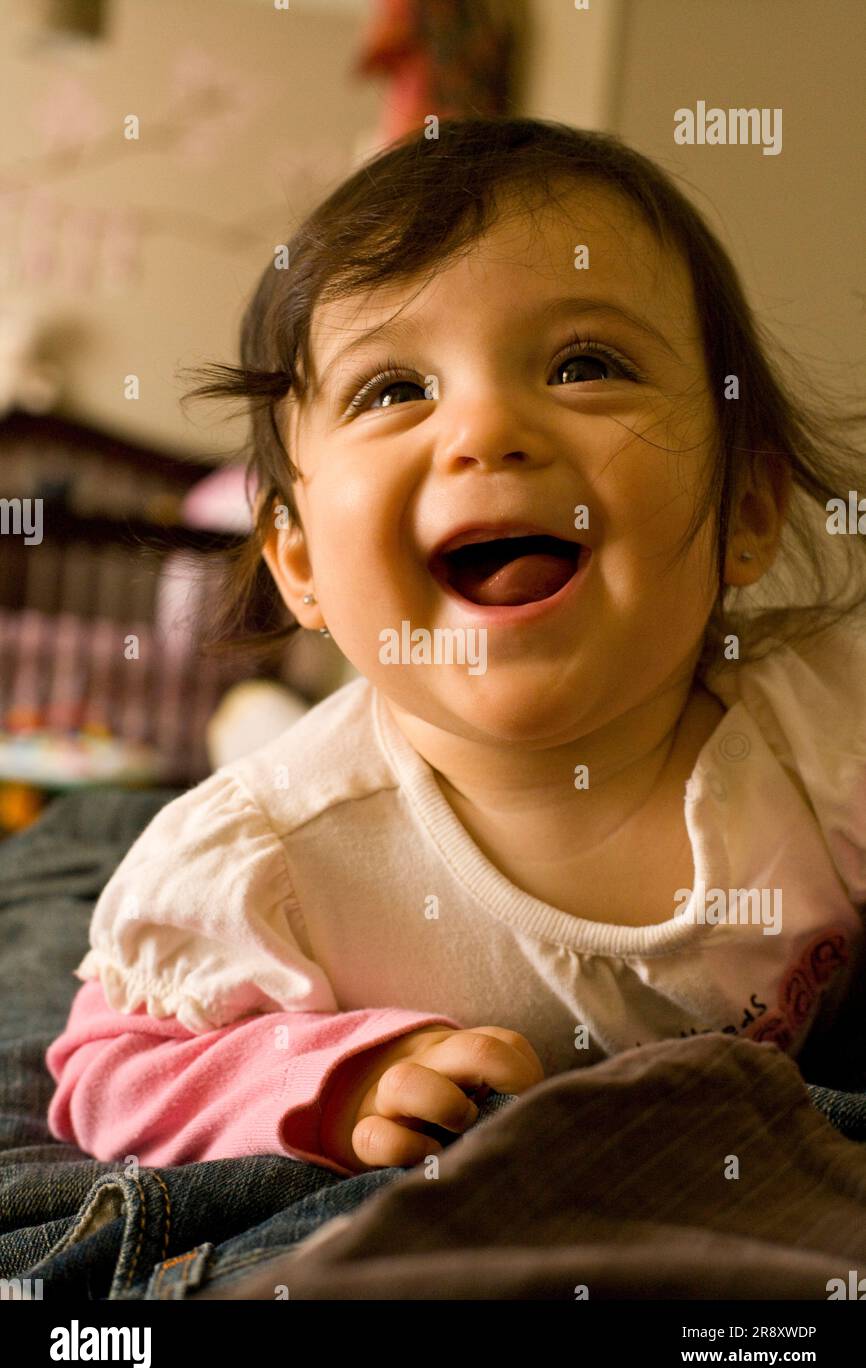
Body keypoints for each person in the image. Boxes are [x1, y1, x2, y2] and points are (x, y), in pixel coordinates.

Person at [46, 117, 866, 1180]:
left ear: (746, 509)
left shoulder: (824, 730)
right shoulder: (268, 865)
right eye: (392, 390)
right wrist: (338, 1083)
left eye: (583, 364)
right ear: (296, 564)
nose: (485, 427)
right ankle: (244, 724)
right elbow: (110, 1069)